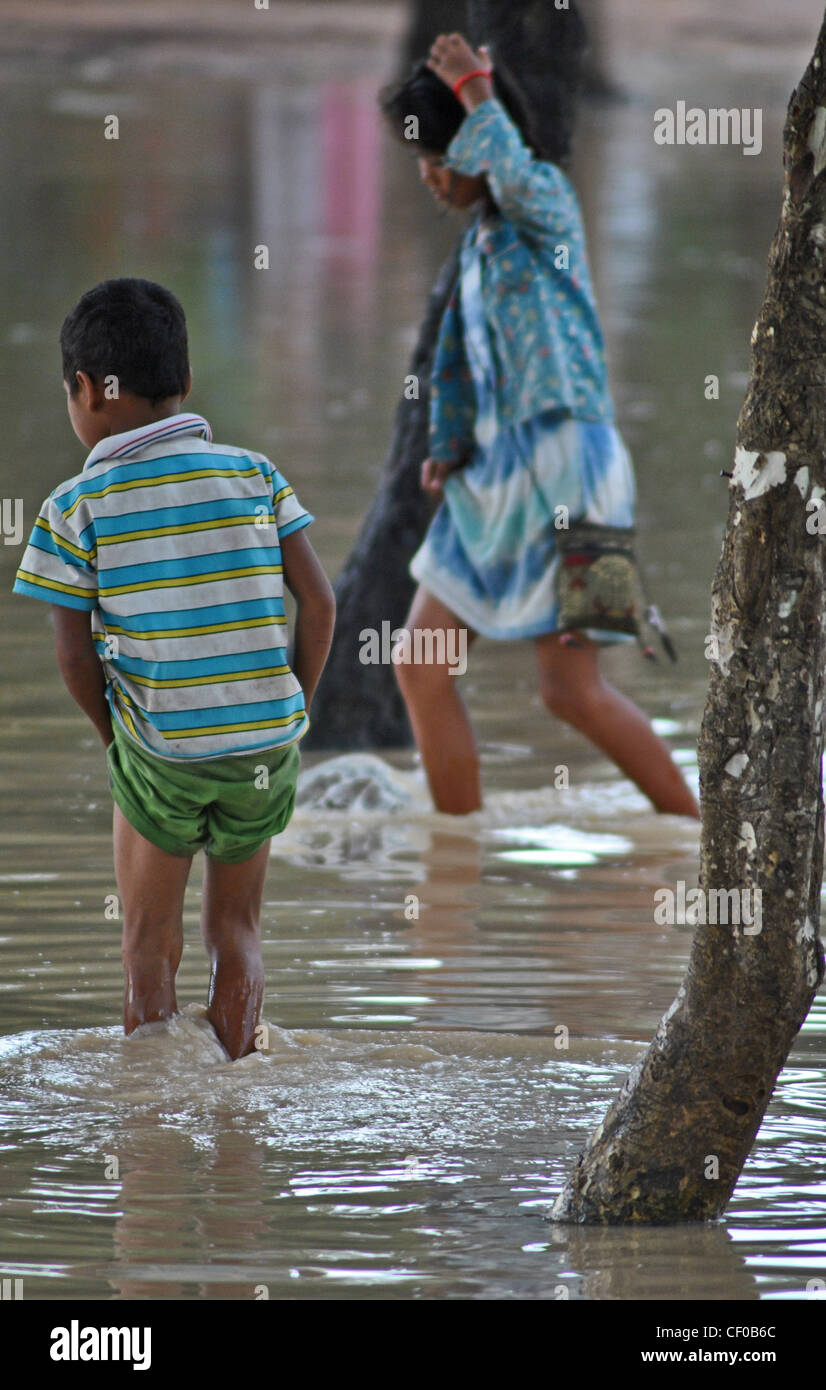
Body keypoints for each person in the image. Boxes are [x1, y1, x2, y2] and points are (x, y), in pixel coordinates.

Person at [13, 278, 336, 1059]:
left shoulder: (78, 505)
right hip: (263, 748)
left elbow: (71, 651)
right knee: (238, 930)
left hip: (161, 752)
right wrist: (287, 710)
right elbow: (320, 604)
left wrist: (115, 743)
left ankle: (151, 1136)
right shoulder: (255, 475)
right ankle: (237, 1117)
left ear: (87, 390)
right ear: (184, 382)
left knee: (145, 947)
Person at [381, 32, 699, 819]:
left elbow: (515, 174)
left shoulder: (547, 205)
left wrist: (476, 90)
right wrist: (445, 450)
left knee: (571, 692)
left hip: (575, 480)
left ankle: (696, 832)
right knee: (420, 665)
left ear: (479, 146)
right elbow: (457, 368)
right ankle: (456, 853)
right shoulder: (480, 251)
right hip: (488, 488)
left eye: (437, 159)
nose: (428, 178)